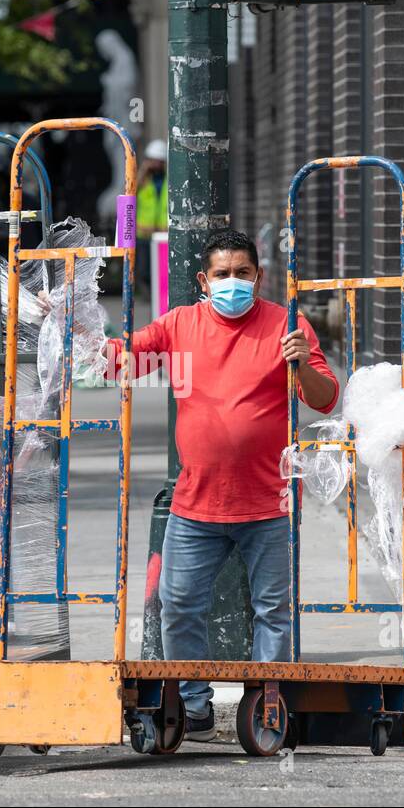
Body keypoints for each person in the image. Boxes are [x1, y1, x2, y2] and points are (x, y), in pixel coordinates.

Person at [103, 228, 339, 741]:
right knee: (178, 604)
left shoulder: (288, 326)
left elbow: (325, 400)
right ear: (203, 281)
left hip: (269, 503)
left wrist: (300, 365)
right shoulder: (179, 325)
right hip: (196, 503)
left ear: (260, 276)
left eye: (244, 273)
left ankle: (267, 702)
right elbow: (120, 358)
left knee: (272, 611)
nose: (234, 282)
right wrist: (65, 326)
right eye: (223, 274)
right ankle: (193, 703)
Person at [134, 139, 168, 295]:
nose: (155, 164)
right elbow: (129, 193)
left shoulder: (168, 179)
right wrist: (142, 171)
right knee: (145, 268)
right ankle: (147, 292)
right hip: (144, 232)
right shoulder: (141, 180)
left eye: (158, 161)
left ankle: (158, 293)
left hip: (162, 233)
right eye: (152, 160)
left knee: (161, 267)